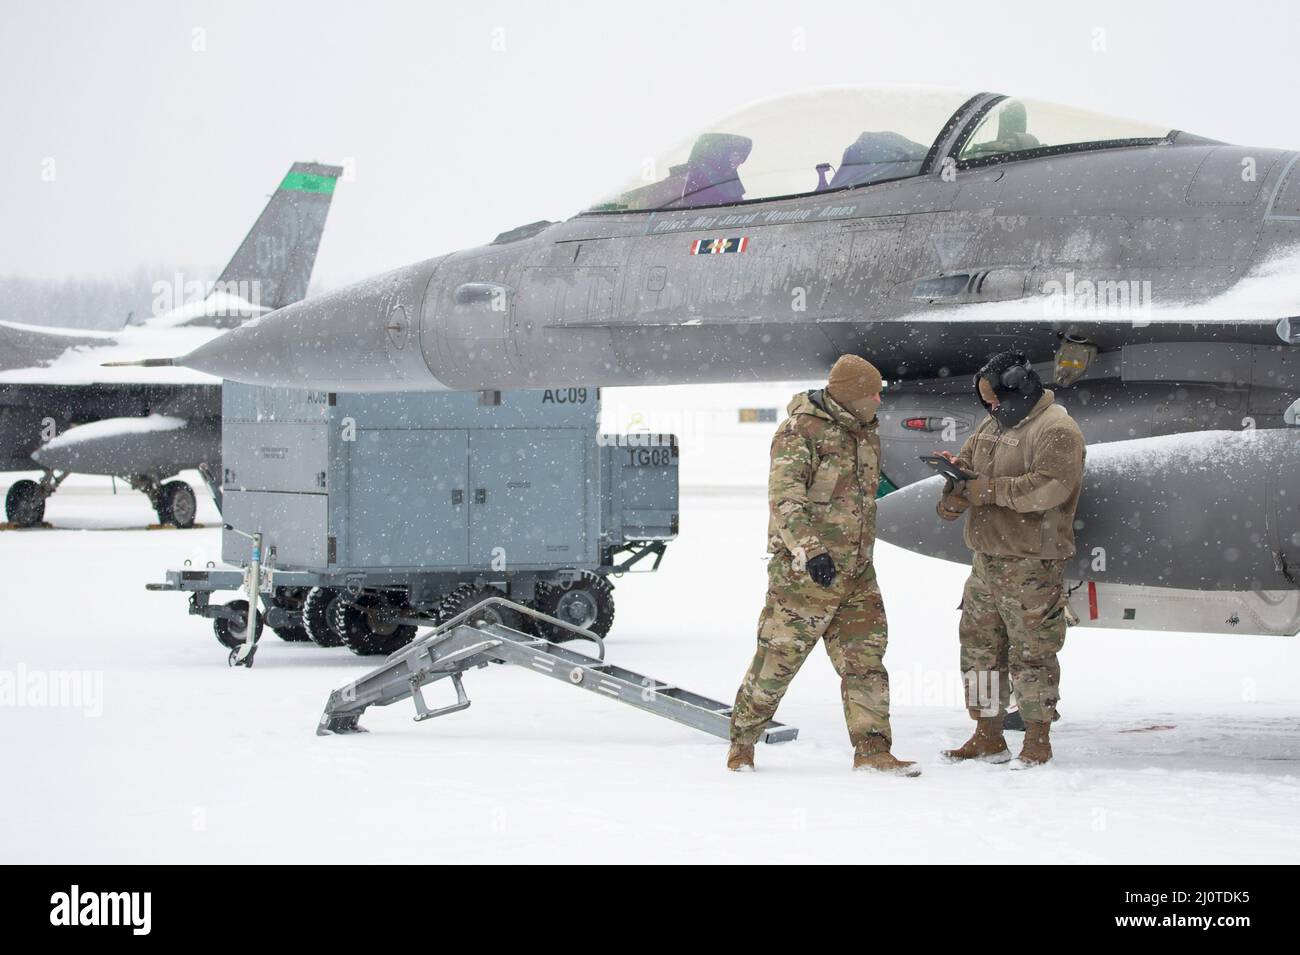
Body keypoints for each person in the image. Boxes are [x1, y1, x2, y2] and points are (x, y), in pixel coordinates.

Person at [727, 354, 919, 776]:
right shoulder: (799, 432)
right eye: (872, 393)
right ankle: (741, 743)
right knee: (778, 659)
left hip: (857, 571)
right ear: (850, 394)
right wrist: (811, 551)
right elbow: (786, 499)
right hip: (805, 574)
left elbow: (863, 493)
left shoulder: (864, 431)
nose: (878, 400)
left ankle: (872, 750)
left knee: (865, 660)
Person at [935, 351, 1085, 768]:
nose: (991, 408)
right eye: (986, 402)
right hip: (985, 561)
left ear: (1020, 387)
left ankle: (1037, 739)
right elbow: (969, 467)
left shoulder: (1057, 429)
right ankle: (986, 734)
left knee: (1032, 653)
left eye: (996, 400)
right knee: (979, 651)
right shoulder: (990, 426)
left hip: (1031, 563)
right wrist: (954, 487)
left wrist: (983, 491)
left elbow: (1049, 488)